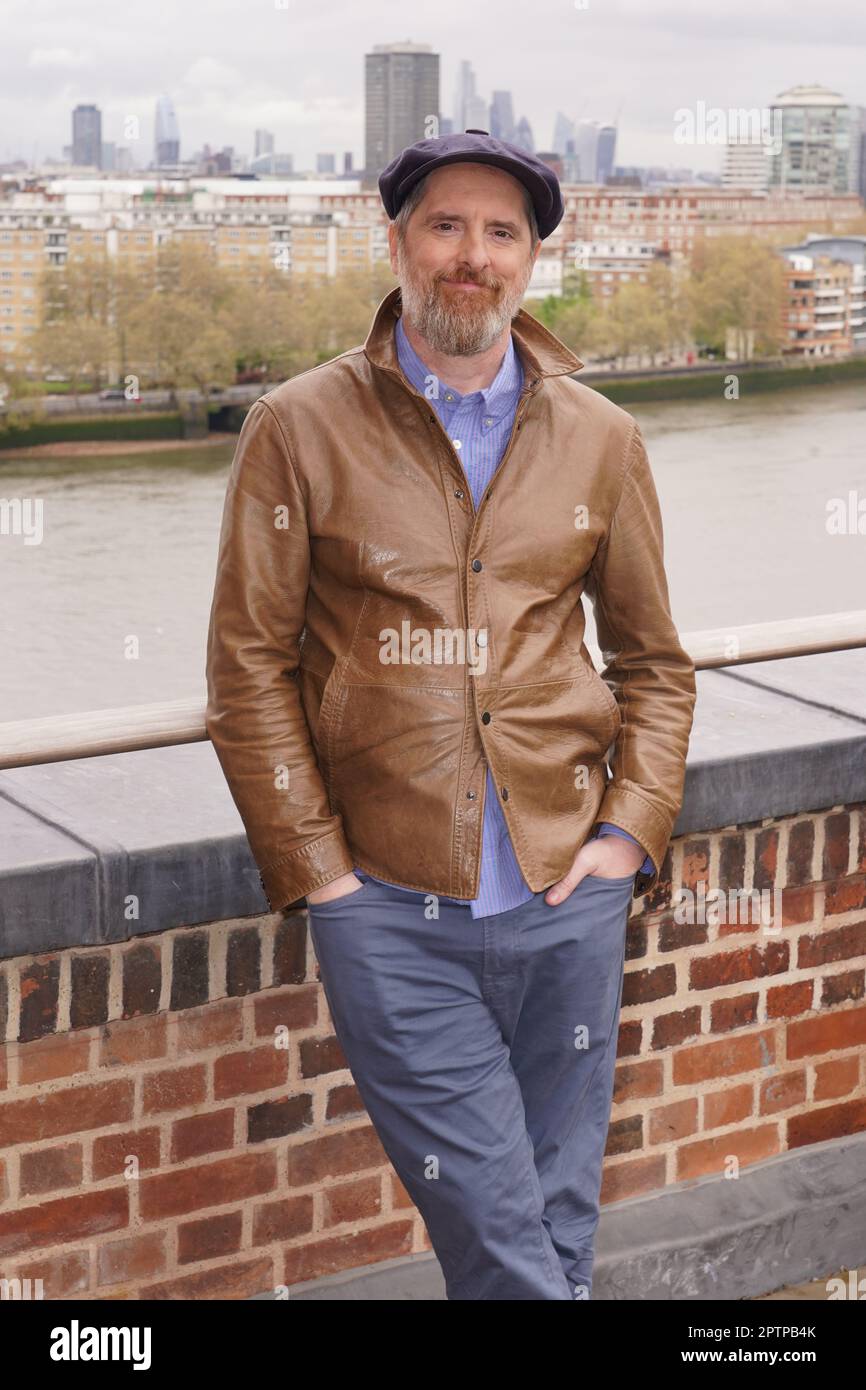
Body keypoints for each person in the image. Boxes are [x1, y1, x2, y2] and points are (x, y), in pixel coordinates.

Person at [205, 129, 697, 1299]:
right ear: (395, 243)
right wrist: (321, 874)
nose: (468, 256)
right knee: (499, 1228)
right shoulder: (297, 425)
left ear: (531, 260)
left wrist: (627, 835)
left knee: (553, 1211)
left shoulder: (601, 439)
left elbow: (653, 664)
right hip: (386, 904)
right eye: (443, 225)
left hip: (563, 897)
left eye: (499, 233)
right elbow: (245, 669)